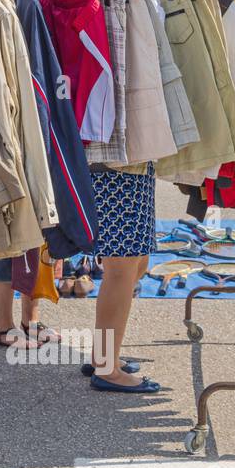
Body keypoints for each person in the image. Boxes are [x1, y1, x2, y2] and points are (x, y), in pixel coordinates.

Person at [86, 166, 161, 392]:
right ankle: (107, 368)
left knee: (135, 261)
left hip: (128, 164)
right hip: (116, 165)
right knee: (122, 266)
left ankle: (104, 357)